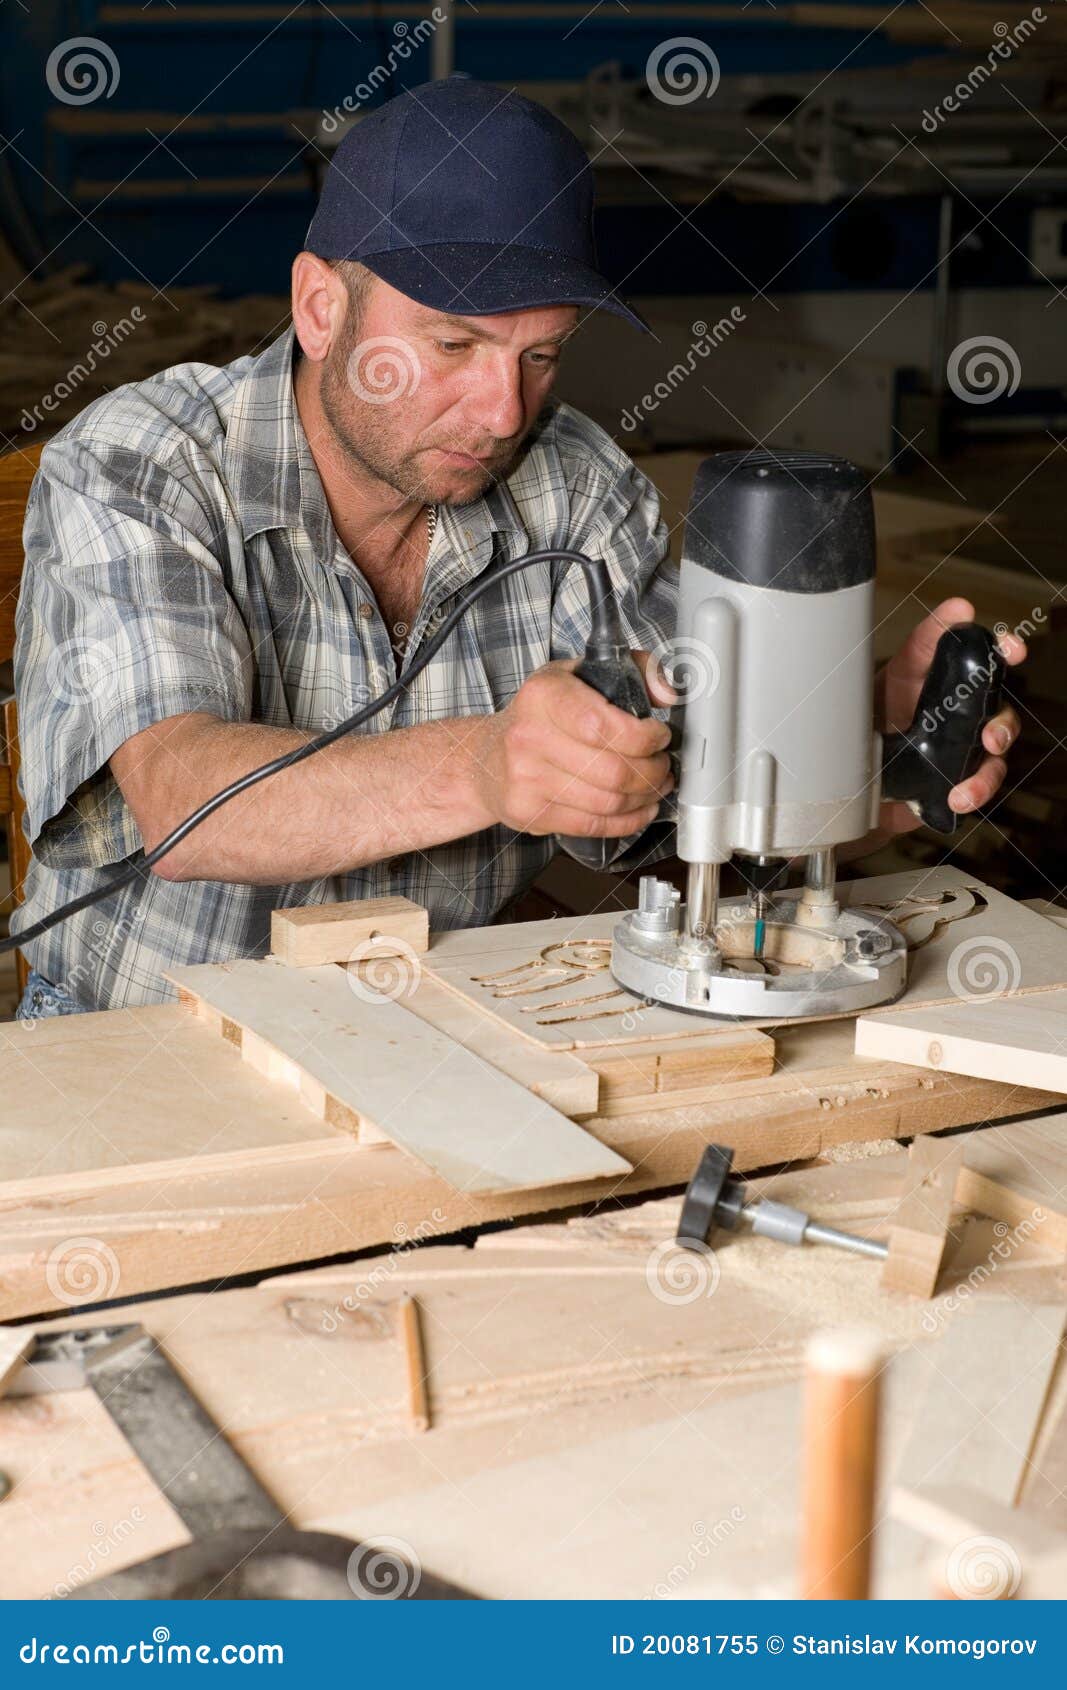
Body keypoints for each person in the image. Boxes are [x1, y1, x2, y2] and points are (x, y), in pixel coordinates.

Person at [11, 77, 1023, 1016]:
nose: (502, 412)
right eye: (453, 346)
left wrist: (850, 752)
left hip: (442, 1036)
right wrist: (490, 765)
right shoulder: (142, 460)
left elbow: (673, 789)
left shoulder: (576, 485)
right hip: (138, 1038)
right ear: (321, 308)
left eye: (541, 355)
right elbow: (185, 805)